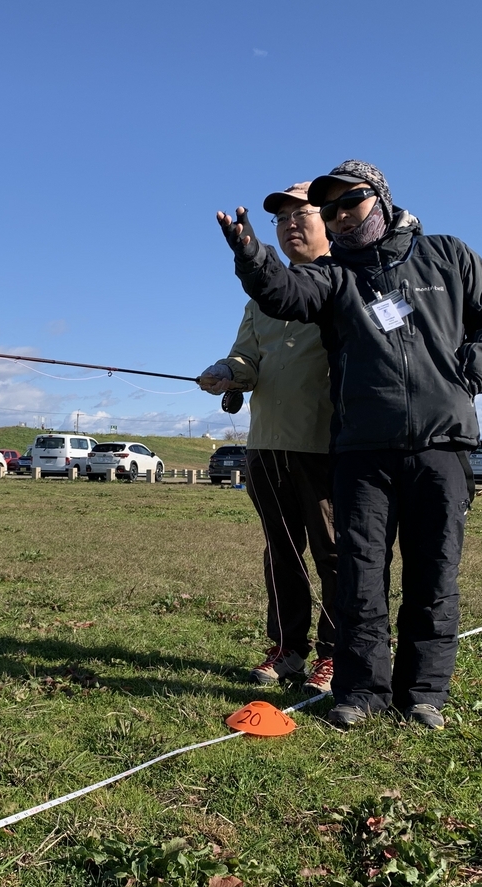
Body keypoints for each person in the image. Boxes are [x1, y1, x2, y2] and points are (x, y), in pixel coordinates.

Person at [218, 160, 482, 729]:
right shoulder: (335, 277)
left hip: (441, 445)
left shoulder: (448, 254)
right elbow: (280, 292)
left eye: (347, 202)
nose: (337, 216)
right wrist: (252, 257)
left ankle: (424, 693)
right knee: (359, 572)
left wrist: (473, 370)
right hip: (361, 450)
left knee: (434, 571)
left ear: (377, 197)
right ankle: (360, 692)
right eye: (326, 209)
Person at [198, 181, 338, 693]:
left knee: (336, 557)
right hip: (267, 446)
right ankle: (287, 650)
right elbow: (246, 357)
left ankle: (336, 656)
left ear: (333, 220)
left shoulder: (347, 281)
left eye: (302, 214)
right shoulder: (260, 296)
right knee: (281, 553)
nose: (290, 225)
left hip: (328, 448)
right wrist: (226, 373)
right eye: (281, 219)